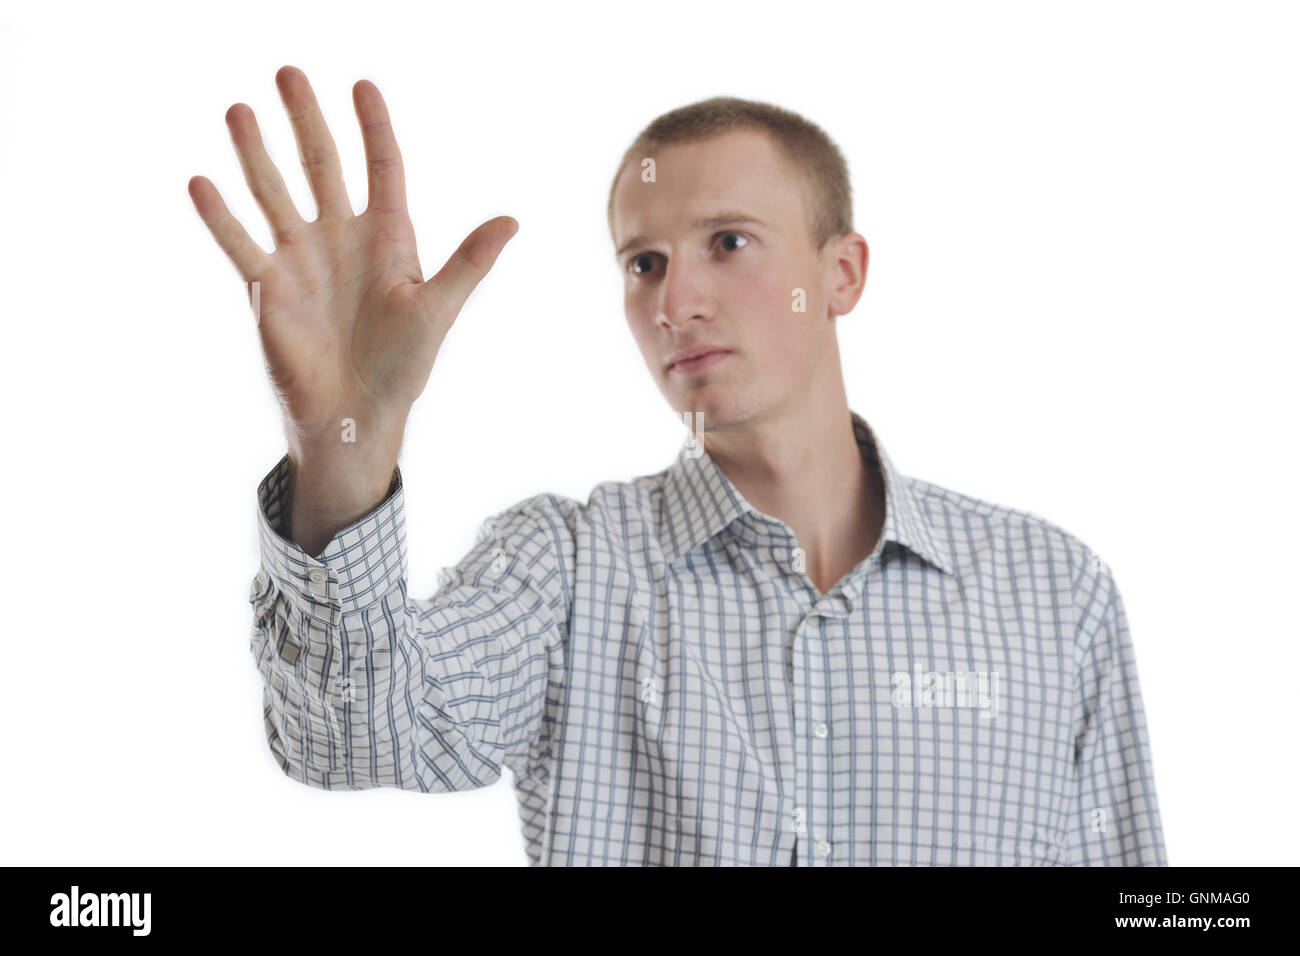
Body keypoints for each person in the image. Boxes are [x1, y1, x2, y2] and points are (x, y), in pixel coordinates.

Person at [189, 65, 1167, 867]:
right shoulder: (567, 569)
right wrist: (341, 447)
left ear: (841, 273)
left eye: (727, 242)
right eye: (643, 263)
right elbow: (349, 737)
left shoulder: (1053, 589)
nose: (675, 301)